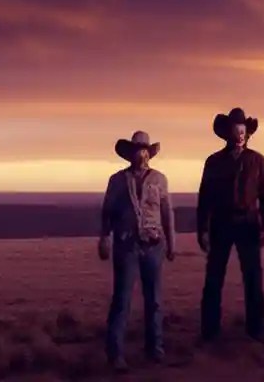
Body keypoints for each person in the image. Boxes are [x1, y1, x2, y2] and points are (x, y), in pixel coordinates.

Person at [99, 131, 176, 371]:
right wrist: (104, 238)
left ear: (149, 153)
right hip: (126, 245)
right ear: (130, 154)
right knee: (122, 300)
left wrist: (172, 243)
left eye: (144, 150)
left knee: (154, 300)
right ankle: (115, 354)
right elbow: (107, 212)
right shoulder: (117, 180)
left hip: (153, 245)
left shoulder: (160, 180)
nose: (140, 155)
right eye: (136, 150)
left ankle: (155, 350)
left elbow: (167, 212)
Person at [197, 107, 264, 342]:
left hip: (248, 223)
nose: (240, 134)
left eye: (243, 130)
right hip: (221, 223)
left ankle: (256, 330)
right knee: (213, 278)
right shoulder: (214, 162)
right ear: (228, 133)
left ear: (247, 133)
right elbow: (205, 197)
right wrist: (202, 229)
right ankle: (209, 332)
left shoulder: (258, 161)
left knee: (252, 277)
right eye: (236, 130)